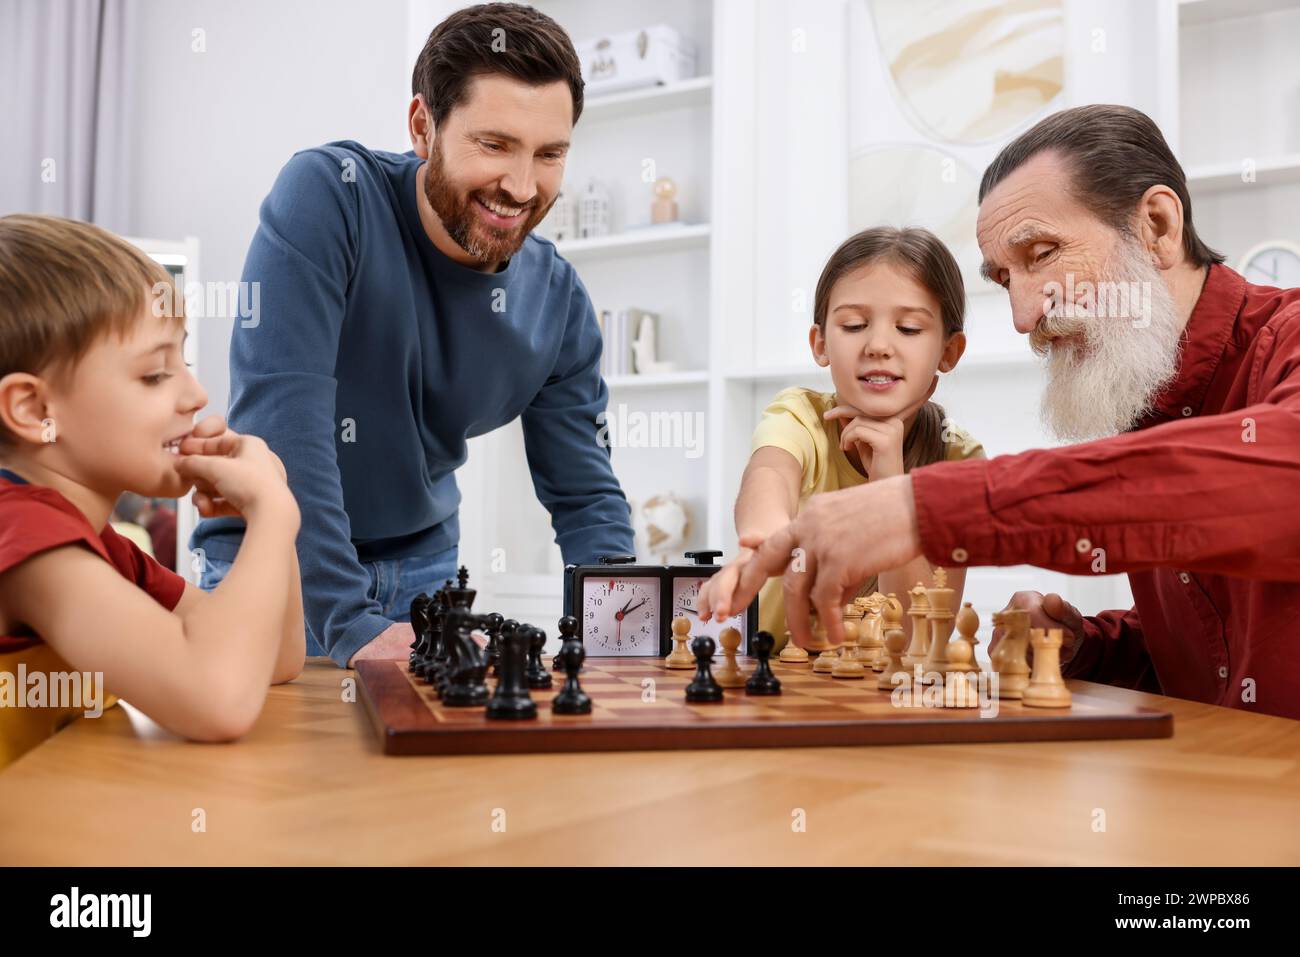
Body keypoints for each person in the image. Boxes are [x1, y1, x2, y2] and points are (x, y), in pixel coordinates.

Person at [699, 105, 1300, 720]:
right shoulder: (1146, 401)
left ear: (1157, 225)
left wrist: (920, 506)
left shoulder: (1289, 339)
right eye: (1003, 277)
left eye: (1041, 254)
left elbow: (1277, 476)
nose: (1023, 317)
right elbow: (1224, 651)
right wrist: (1086, 648)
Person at [191, 2, 634, 668]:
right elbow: (289, 425)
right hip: (277, 565)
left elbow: (585, 492)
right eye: (494, 144)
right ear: (423, 126)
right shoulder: (328, 197)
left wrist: (622, 629)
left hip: (425, 576)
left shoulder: (560, 300)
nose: (521, 186)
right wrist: (347, 620)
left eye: (549, 154)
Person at [0, 214, 304, 768]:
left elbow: (275, 661)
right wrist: (273, 515)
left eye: (182, 363)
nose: (196, 394)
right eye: (155, 375)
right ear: (35, 409)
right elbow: (216, 700)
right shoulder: (24, 533)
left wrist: (266, 509)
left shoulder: (104, 546)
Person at [701, 227, 985, 646]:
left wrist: (888, 483)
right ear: (820, 344)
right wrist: (761, 546)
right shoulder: (801, 416)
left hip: (889, 695)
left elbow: (918, 636)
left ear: (949, 351)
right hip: (781, 682)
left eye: (908, 328)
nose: (878, 345)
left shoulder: (958, 457)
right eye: (854, 325)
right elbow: (770, 475)